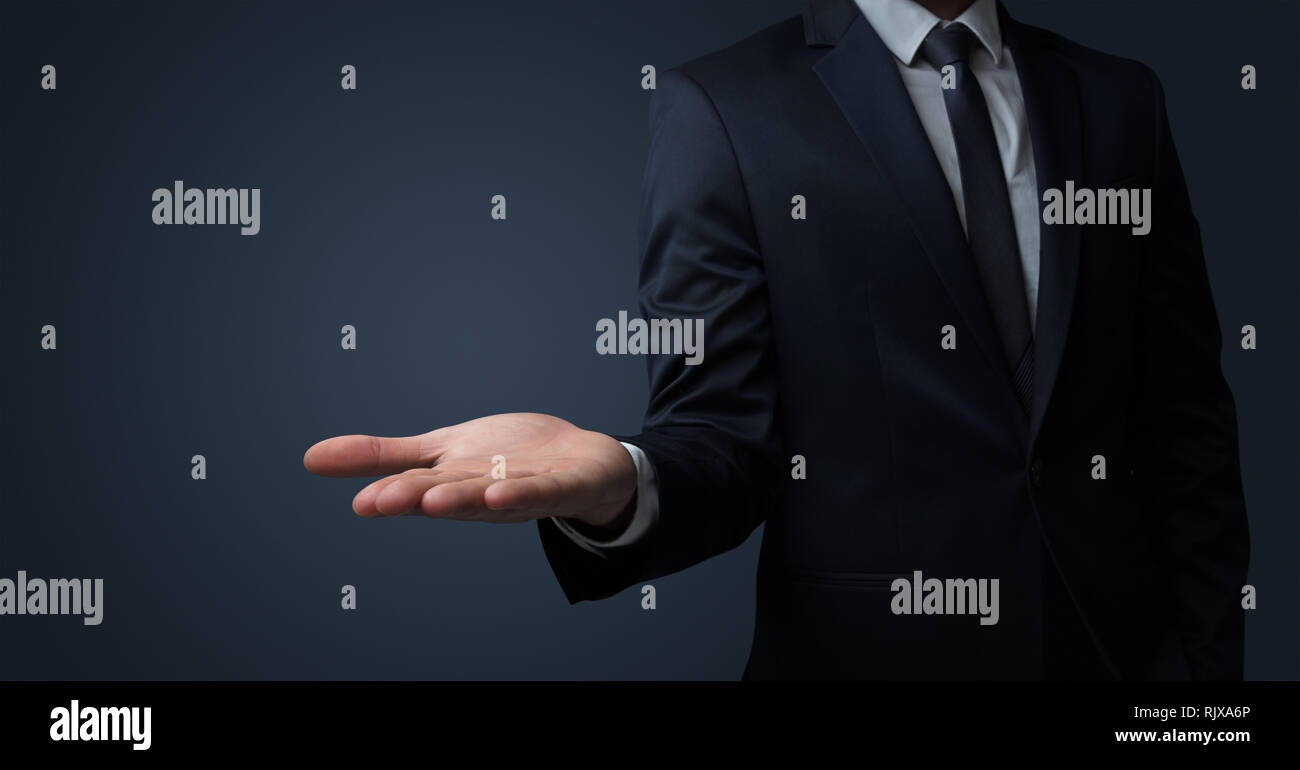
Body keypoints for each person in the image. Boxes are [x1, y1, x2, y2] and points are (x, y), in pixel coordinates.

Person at [304, 0, 1250, 680]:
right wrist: (626, 482)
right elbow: (722, 433)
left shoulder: (1121, 99)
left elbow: (1184, 421)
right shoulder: (726, 108)